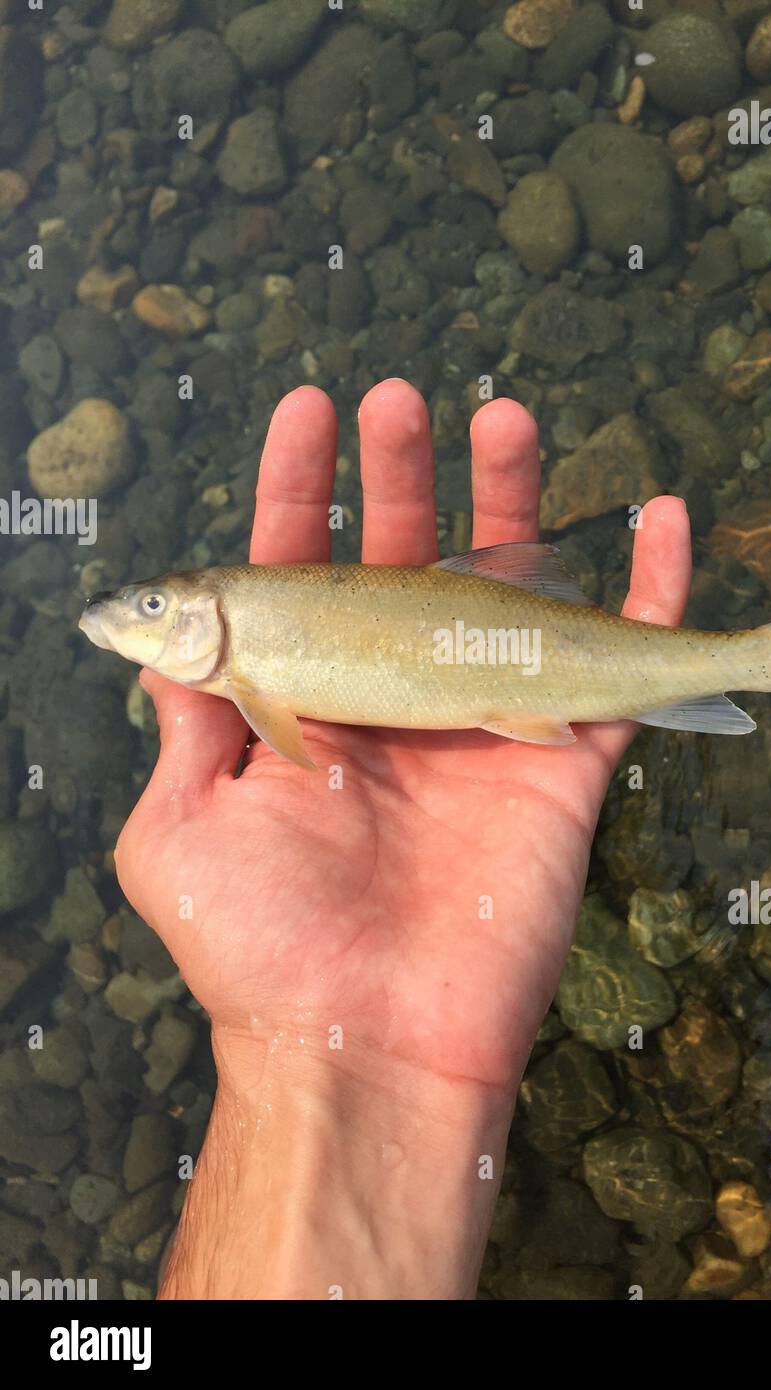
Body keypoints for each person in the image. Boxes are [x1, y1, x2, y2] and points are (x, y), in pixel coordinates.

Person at [117, 378, 692, 1299]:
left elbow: (283, 730)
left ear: (195, 613)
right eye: (148, 607)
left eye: (150, 607)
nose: (133, 620)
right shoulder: (242, 663)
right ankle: (768, 658)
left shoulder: (243, 669)